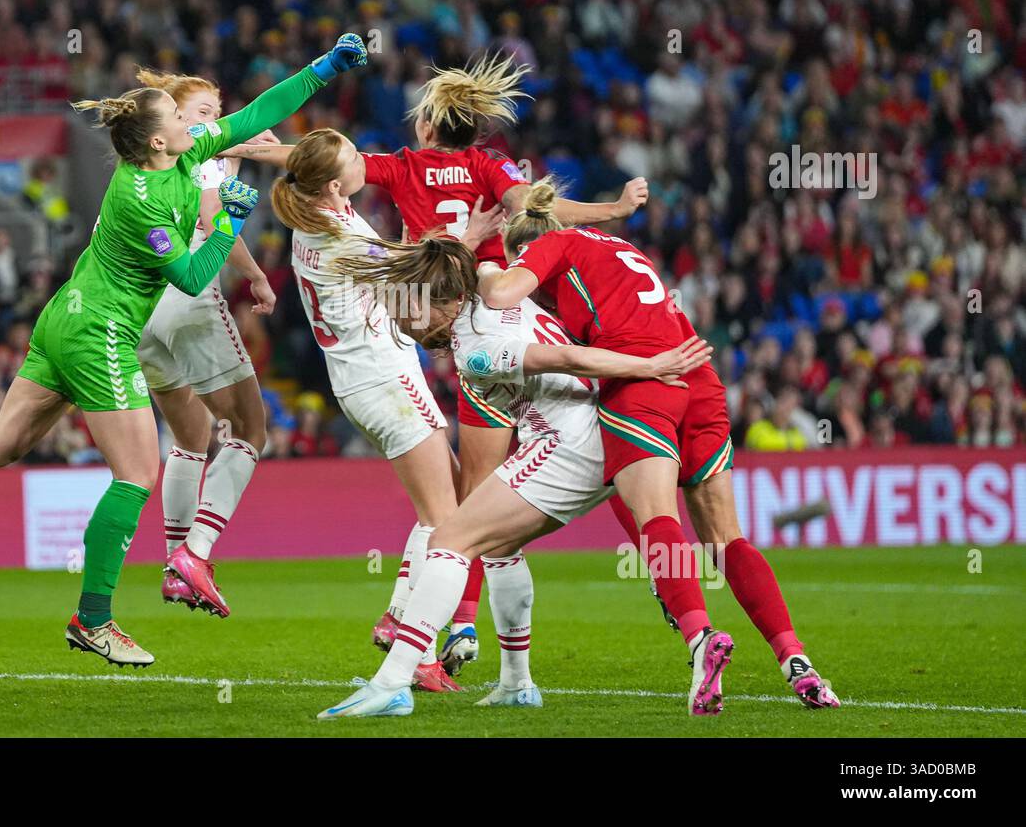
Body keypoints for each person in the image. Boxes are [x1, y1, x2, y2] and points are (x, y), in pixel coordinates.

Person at [0, 35, 367, 667]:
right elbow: (188, 276)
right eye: (181, 118)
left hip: (62, 320)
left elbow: (258, 114)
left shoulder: (181, 156)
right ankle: (92, 619)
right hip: (100, 334)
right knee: (136, 475)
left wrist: (323, 68)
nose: (195, 122)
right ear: (158, 141)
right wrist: (229, 220)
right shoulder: (138, 199)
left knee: (1, 444)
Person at [224, 54, 647, 674]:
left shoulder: (393, 169)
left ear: (427, 125)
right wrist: (611, 211)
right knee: (473, 495)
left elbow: (330, 169)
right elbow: (536, 211)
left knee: (466, 489)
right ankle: (431, 636)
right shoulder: (483, 162)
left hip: (436, 327)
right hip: (481, 311)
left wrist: (267, 150)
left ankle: (451, 623)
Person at [476, 186, 839, 711]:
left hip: (645, 381)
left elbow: (503, 294)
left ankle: (700, 638)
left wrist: (487, 267)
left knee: (656, 519)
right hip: (700, 378)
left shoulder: (552, 244)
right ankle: (797, 661)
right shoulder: (621, 249)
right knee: (725, 538)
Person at [317, 235, 710, 718]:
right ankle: (516, 683)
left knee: (451, 539)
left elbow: (569, 358)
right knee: (499, 546)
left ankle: (391, 683)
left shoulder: (475, 349)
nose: (405, 324)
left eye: (410, 313)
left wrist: (649, 365)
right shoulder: (490, 286)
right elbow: (483, 271)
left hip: (567, 442)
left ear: (444, 302)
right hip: (590, 430)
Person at [268, 128, 503, 692]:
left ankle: (400, 619)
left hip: (370, 377)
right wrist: (467, 238)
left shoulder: (320, 218)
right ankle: (414, 647)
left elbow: (392, 288)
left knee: (444, 501)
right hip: (383, 382)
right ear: (332, 184)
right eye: (353, 157)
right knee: (446, 521)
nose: (363, 160)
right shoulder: (338, 235)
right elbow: (412, 275)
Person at [134, 73, 279, 618]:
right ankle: (195, 554)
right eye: (200, 109)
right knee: (250, 429)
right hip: (188, 297)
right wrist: (259, 278)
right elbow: (212, 221)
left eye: (219, 107)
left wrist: (239, 148)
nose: (213, 116)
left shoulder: (155, 159)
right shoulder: (198, 156)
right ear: (172, 117)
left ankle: (174, 565)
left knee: (191, 435)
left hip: (142, 310)